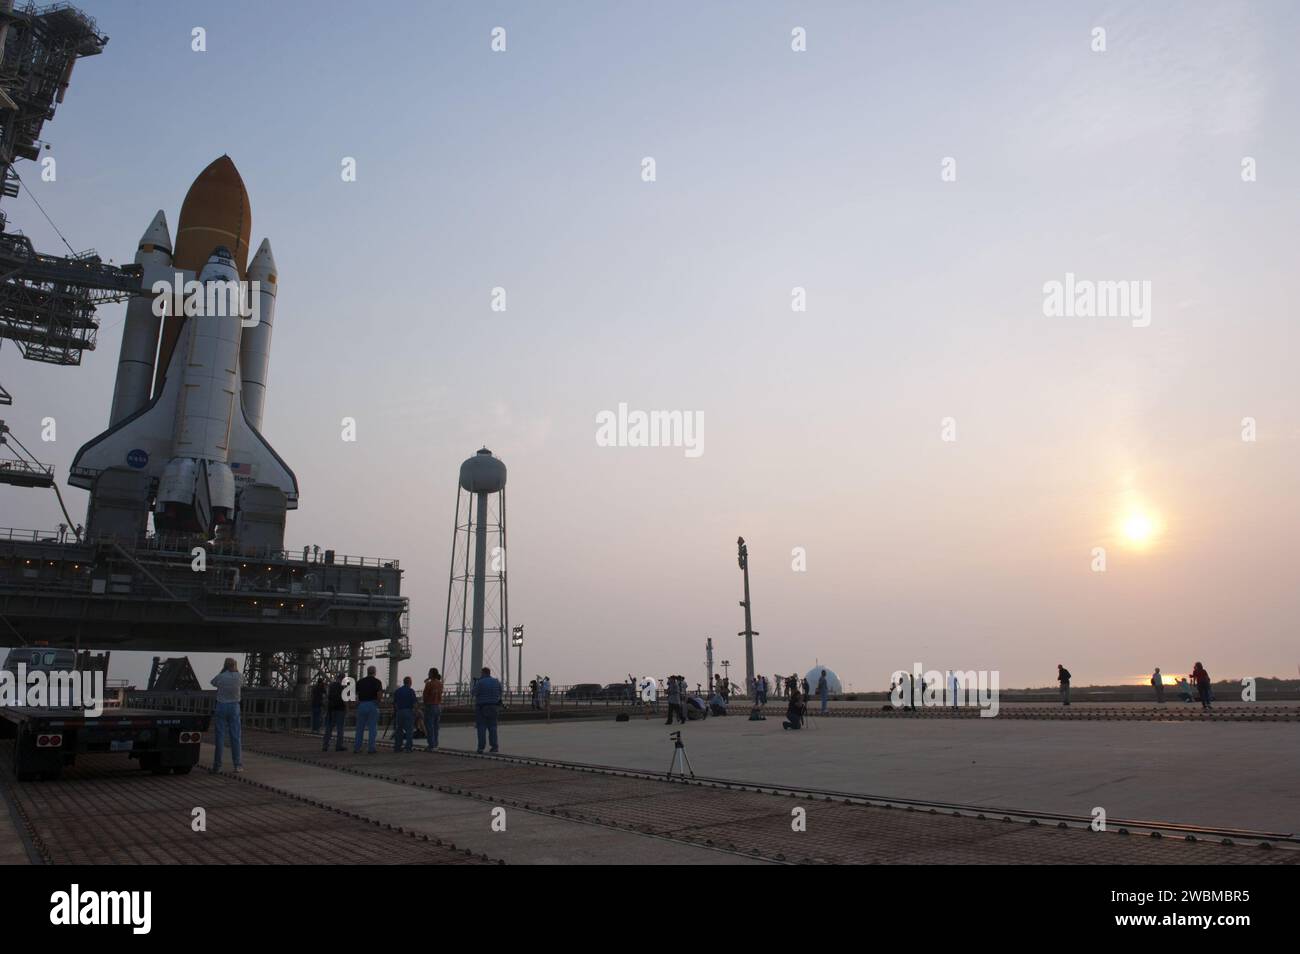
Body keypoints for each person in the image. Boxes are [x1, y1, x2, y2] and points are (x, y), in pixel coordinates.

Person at [210, 658, 243, 773]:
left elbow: (212, 682)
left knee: (219, 737)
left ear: (225, 666)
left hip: (221, 706)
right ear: (235, 665)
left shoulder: (221, 676)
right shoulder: (239, 676)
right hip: (234, 707)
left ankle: (217, 765)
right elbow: (242, 683)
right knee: (235, 736)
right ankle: (237, 765)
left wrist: (222, 671)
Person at [352, 665, 383, 754]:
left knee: (359, 728)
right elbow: (379, 694)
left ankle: (357, 748)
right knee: (372, 728)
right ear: (374, 672)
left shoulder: (360, 682)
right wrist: (378, 703)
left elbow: (356, 695)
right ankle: (371, 748)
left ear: (367, 671)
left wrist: (357, 704)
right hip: (372, 704)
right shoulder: (377, 682)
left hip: (362, 705)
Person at [473, 666, 503, 753]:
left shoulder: (480, 682)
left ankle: (481, 747)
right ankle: (494, 747)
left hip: (482, 707)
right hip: (494, 707)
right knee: (493, 727)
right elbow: (500, 692)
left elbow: (474, 692)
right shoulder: (496, 681)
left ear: (483, 673)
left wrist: (475, 683)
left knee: (481, 727)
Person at [322, 671, 347, 751]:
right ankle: (339, 746)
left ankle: (325, 745)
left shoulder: (331, 685)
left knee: (329, 727)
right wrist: (347, 709)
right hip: (340, 709)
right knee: (340, 728)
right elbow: (345, 700)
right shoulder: (344, 687)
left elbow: (327, 697)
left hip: (331, 709)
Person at [392, 676, 417, 752]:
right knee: (409, 730)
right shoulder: (411, 691)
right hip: (408, 711)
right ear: (410, 682)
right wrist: (415, 712)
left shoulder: (398, 691)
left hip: (399, 712)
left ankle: (397, 747)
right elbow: (415, 703)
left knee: (399, 730)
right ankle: (408, 747)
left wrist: (396, 711)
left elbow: (395, 703)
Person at [422, 667, 443, 749]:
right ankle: (436, 743)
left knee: (429, 726)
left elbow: (425, 696)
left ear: (432, 674)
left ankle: (431, 744)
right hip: (438, 706)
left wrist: (424, 704)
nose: (428, 674)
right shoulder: (440, 684)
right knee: (436, 726)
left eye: (429, 673)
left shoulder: (429, 684)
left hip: (430, 705)